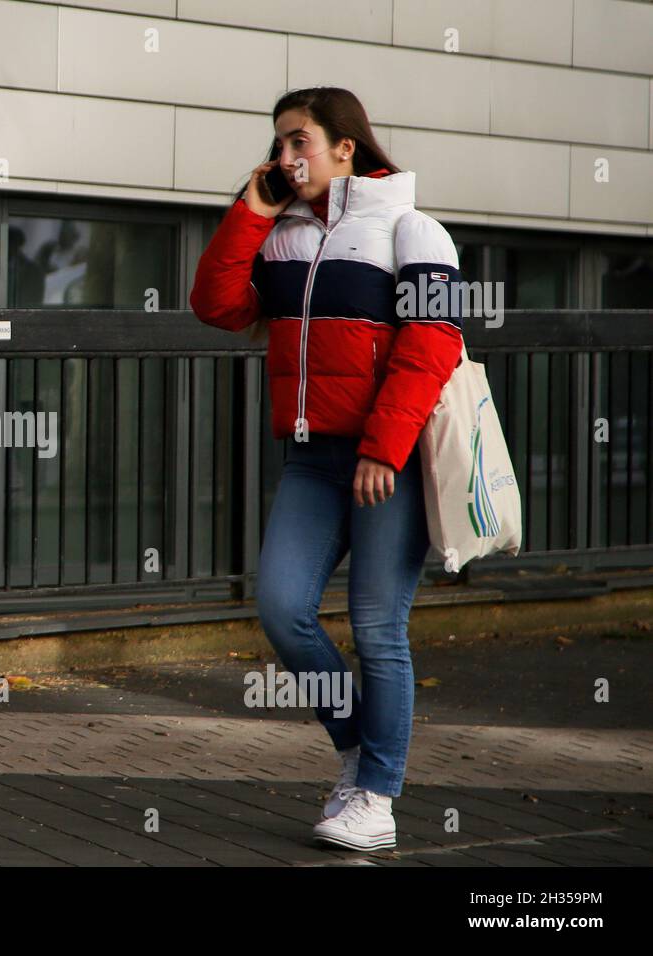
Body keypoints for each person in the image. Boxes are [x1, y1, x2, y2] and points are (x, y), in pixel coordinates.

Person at [190, 87, 465, 851]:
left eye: (299, 142)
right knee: (282, 609)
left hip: (390, 457)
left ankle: (376, 797)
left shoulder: (414, 231)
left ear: (347, 146)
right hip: (312, 459)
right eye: (278, 144)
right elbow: (216, 305)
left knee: (379, 627)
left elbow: (432, 346)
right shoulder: (280, 237)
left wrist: (383, 446)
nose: (285, 157)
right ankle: (356, 749)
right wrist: (251, 207)